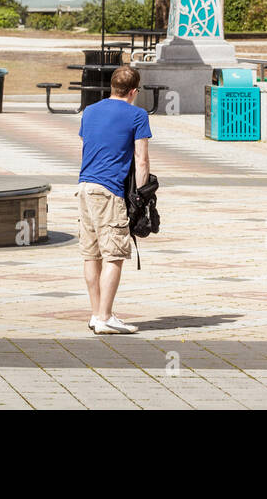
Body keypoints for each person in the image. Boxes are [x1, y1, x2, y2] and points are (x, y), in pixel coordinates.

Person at [77, 65, 152, 335]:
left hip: (85, 187)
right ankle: (106, 317)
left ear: (112, 86)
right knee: (114, 255)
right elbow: (141, 160)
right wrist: (141, 198)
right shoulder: (137, 115)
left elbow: (89, 145)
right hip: (109, 191)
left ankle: (97, 314)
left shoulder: (91, 111)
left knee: (91, 253)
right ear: (133, 91)